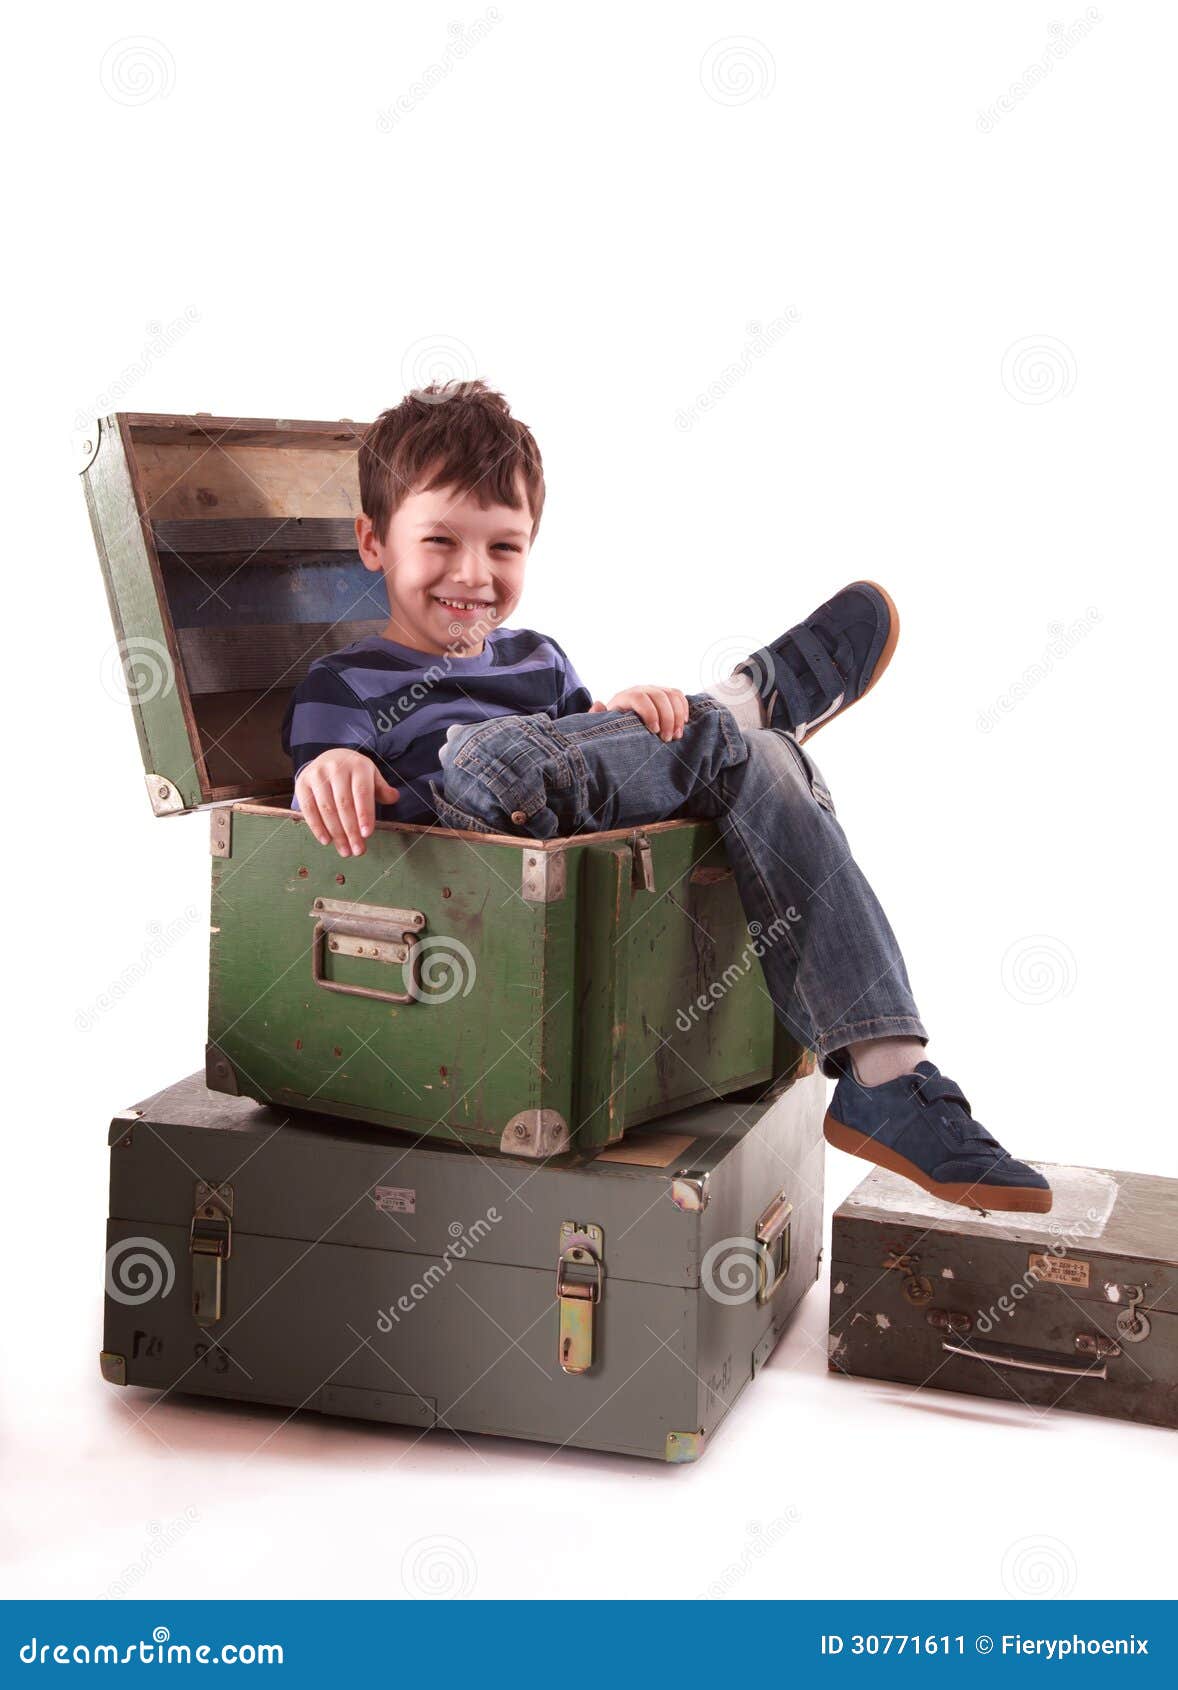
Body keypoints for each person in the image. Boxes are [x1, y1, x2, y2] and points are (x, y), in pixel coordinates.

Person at [283, 380, 1051, 1215]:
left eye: (505, 548)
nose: (475, 574)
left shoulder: (540, 658)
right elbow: (320, 767)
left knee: (751, 759)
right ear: (373, 543)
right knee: (481, 755)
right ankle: (744, 707)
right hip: (465, 826)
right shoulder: (344, 679)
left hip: (559, 808)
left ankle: (887, 1076)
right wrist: (332, 766)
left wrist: (635, 719)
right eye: (441, 541)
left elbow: (592, 766)